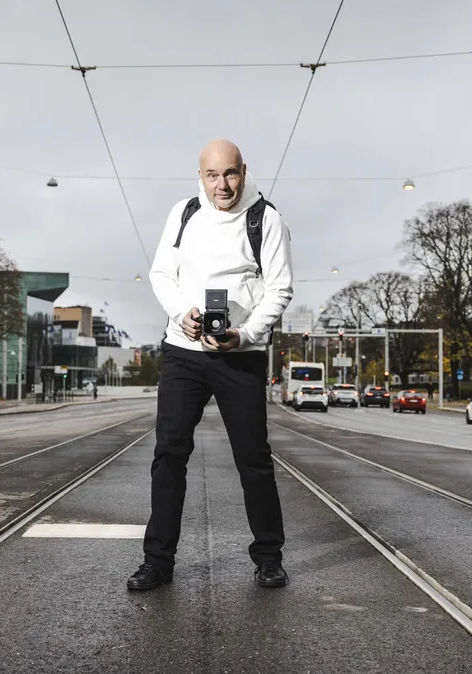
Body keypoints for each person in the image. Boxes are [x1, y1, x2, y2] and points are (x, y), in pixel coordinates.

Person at [128, 139, 294, 592]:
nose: (223, 185)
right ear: (199, 176)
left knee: (253, 459)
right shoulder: (183, 213)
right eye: (213, 176)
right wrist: (183, 313)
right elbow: (162, 273)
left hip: (241, 355)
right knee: (168, 456)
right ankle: (157, 561)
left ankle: (268, 558)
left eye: (231, 174)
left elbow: (279, 290)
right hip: (183, 352)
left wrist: (244, 334)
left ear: (244, 170)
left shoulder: (267, 218)